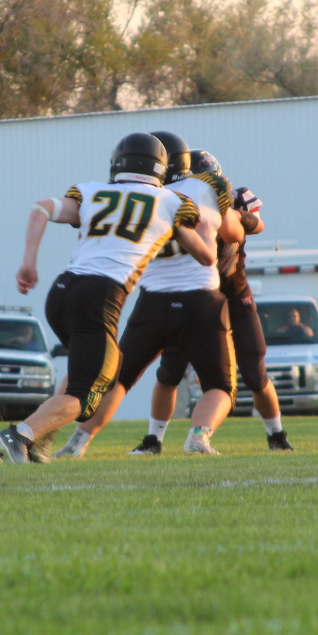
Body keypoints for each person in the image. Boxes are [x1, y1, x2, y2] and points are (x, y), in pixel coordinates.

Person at [0, 132, 212, 464]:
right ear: (160, 170)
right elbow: (205, 257)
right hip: (100, 297)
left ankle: (38, 440)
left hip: (62, 293)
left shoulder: (93, 191)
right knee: (85, 393)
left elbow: (40, 210)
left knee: (103, 370)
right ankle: (19, 436)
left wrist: (29, 263)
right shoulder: (171, 202)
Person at [48, 132, 245, 458]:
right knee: (220, 385)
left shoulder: (139, 195)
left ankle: (77, 443)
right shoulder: (207, 187)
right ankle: (199, 437)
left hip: (153, 301)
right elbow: (233, 230)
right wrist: (234, 242)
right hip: (201, 299)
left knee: (118, 380)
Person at [143, 162, 294, 452]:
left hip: (234, 294)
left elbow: (256, 223)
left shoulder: (231, 199)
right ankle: (153, 440)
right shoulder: (171, 202)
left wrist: (231, 213)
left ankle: (276, 435)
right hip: (195, 298)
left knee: (254, 371)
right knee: (170, 370)